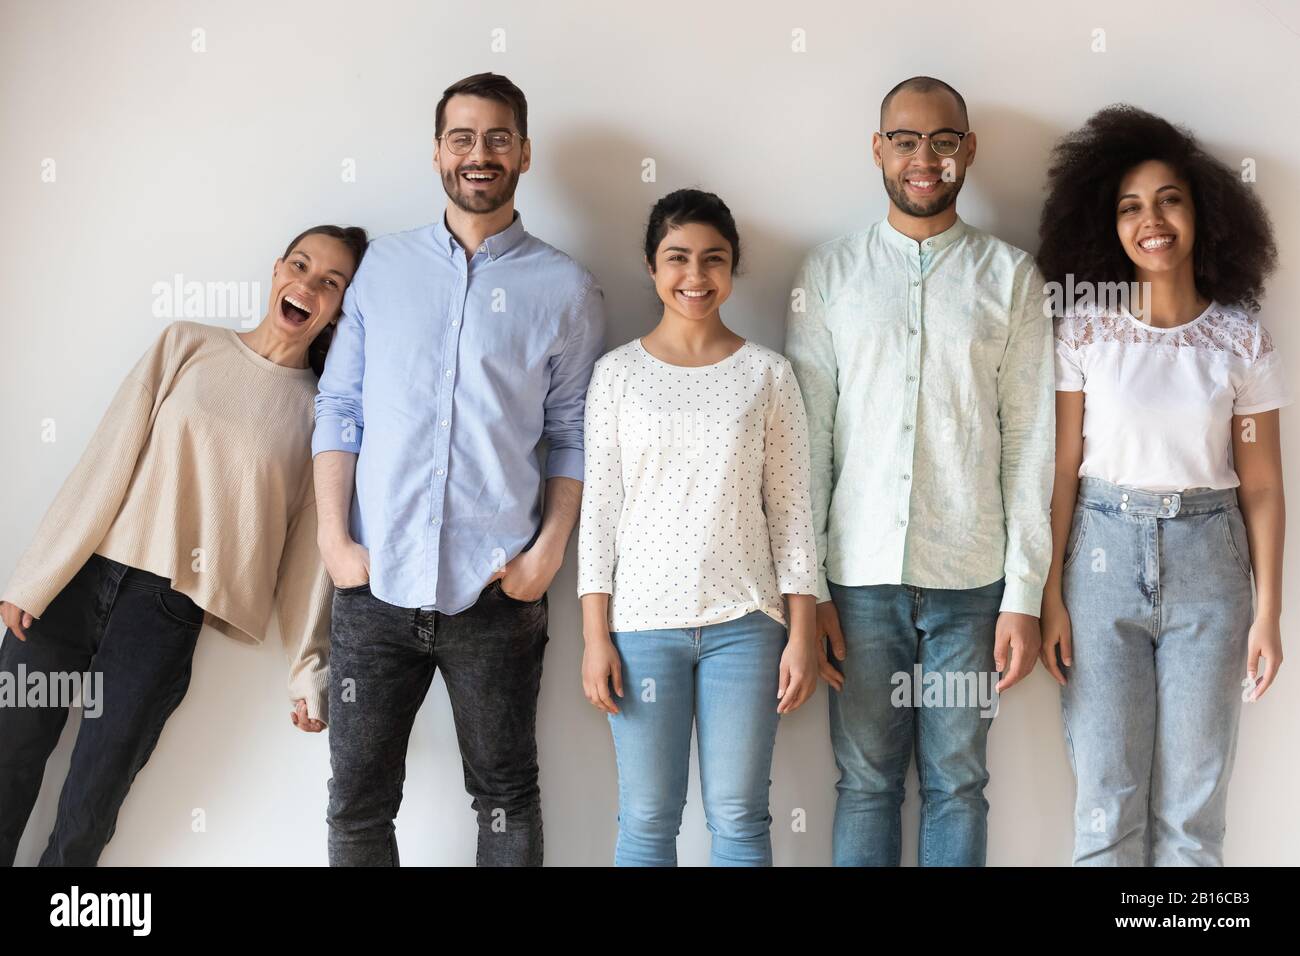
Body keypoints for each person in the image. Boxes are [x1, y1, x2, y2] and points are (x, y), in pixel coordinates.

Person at [0, 224, 368, 865]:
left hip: (166, 609)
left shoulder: (322, 412)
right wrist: (38, 574)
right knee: (7, 758)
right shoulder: (188, 344)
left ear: (341, 306)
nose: (307, 286)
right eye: (301, 266)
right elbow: (106, 457)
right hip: (79, 579)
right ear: (276, 268)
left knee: (93, 797)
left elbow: (313, 556)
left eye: (330, 282)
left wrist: (310, 673)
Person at [314, 72, 606, 867]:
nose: (480, 155)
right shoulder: (381, 269)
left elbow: (573, 435)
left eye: (498, 138)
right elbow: (339, 409)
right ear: (438, 151)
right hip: (374, 587)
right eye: (463, 138)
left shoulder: (567, 289)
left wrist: (545, 556)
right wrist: (335, 544)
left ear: (525, 152)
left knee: (506, 795)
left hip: (495, 595)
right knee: (357, 804)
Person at [784, 76, 1055, 866]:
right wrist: (810, 592)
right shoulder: (828, 273)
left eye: (942, 140)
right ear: (879, 149)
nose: (923, 157)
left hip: (972, 585)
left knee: (958, 782)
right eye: (905, 139)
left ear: (967, 150)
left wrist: (1025, 596)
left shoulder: (1012, 277)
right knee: (865, 782)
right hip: (858, 581)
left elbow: (1030, 442)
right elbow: (807, 443)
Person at [1037, 105, 1289, 866]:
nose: (1151, 220)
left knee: (1193, 812)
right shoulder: (1083, 329)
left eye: (1169, 198)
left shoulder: (1241, 338)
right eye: (1130, 206)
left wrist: (1270, 612)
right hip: (1101, 556)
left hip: (1212, 563)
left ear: (1203, 211)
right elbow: (1059, 470)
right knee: (1105, 803)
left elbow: (1266, 486)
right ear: (1106, 226)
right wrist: (1050, 592)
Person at [578, 189, 821, 866]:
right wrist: (595, 637)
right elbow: (597, 516)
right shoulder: (617, 375)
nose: (695, 275)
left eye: (713, 259)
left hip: (746, 625)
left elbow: (794, 515)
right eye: (677, 258)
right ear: (653, 269)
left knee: (740, 817)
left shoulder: (768, 375)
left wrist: (801, 634)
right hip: (641, 628)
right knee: (648, 819)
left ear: (734, 269)